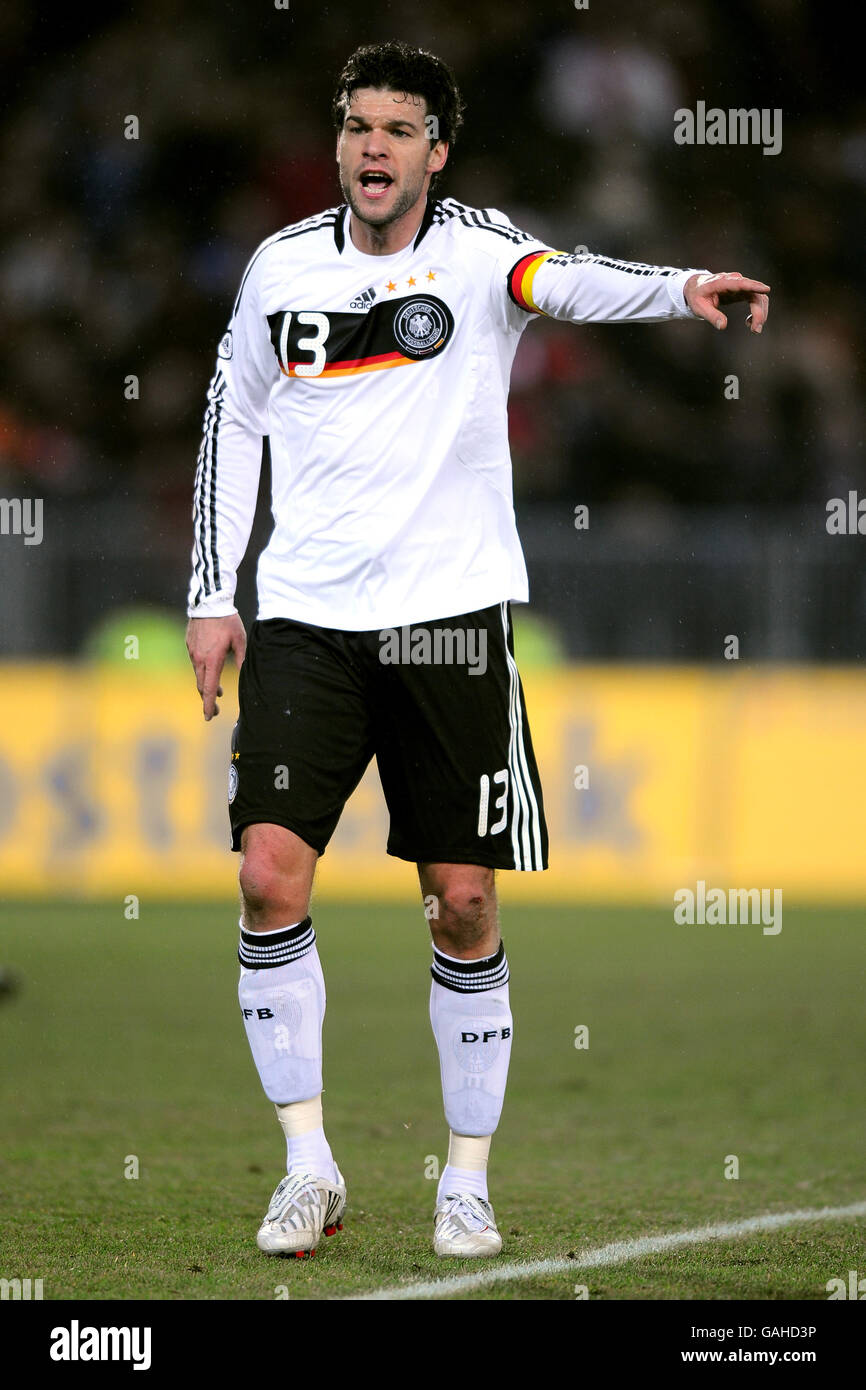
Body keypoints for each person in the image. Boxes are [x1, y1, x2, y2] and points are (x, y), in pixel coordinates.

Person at [185, 40, 770, 1261]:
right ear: (338, 140)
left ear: (436, 152)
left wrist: (680, 290)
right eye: (356, 126)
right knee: (265, 878)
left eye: (399, 129)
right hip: (303, 619)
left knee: (459, 901)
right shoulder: (280, 268)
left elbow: (572, 281)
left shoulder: (479, 251)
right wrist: (210, 589)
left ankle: (463, 1179)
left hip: (448, 620)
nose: (372, 148)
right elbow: (232, 416)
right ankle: (307, 1168)